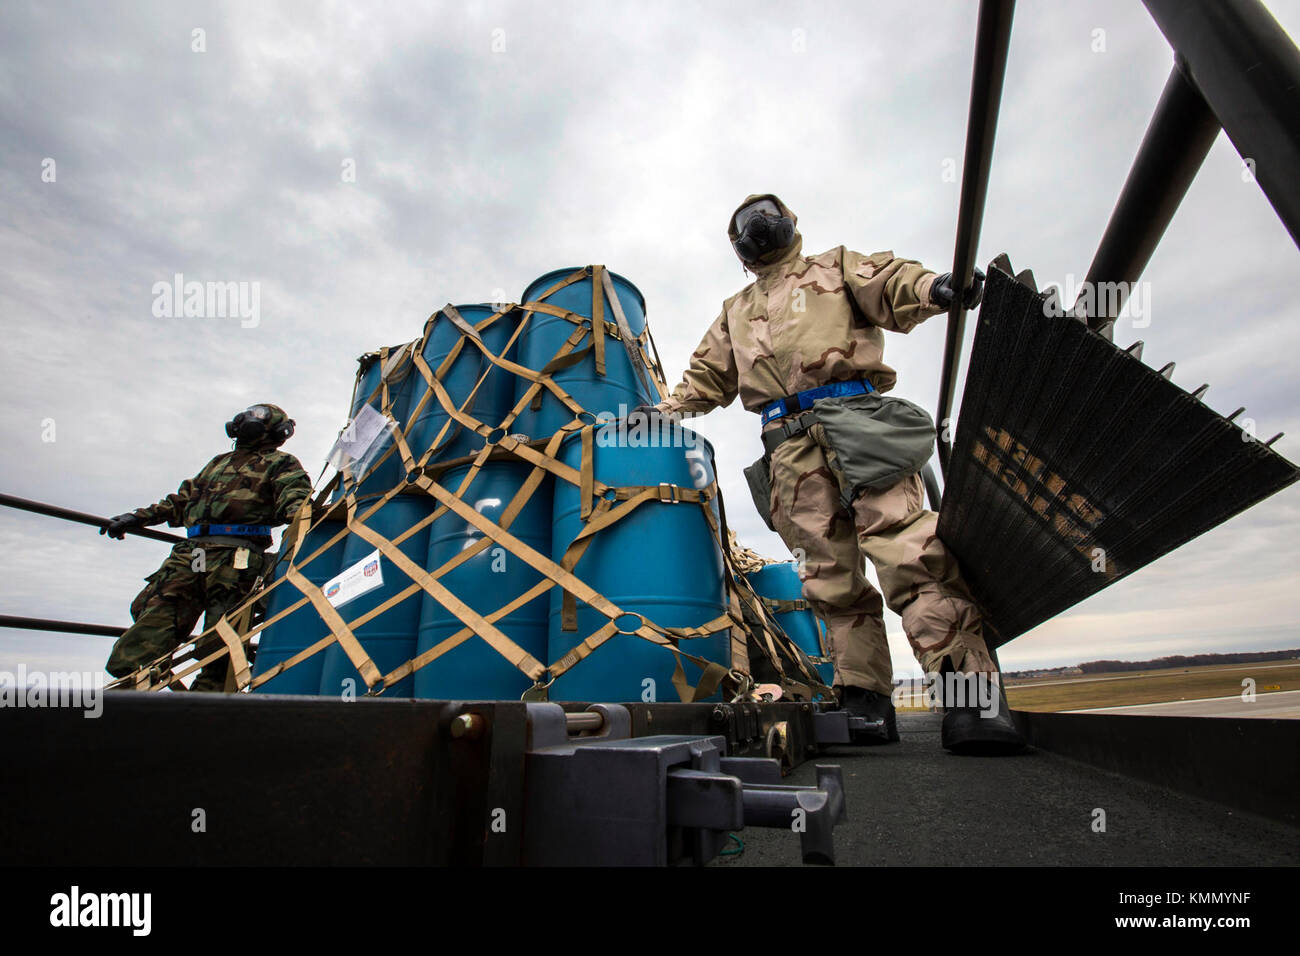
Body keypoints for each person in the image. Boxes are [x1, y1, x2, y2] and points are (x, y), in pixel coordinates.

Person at [642, 194, 1023, 754]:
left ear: (790, 222)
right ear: (738, 250)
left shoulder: (836, 266)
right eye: (744, 223)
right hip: (789, 451)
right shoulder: (735, 310)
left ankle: (971, 697)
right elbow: (704, 380)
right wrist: (656, 416)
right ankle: (864, 700)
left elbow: (891, 284)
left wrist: (936, 289)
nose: (756, 225)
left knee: (909, 554)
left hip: (858, 422)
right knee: (829, 581)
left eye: (765, 213)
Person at [102, 403, 311, 691]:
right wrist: (136, 518)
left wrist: (305, 521)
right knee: (153, 621)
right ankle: (133, 690)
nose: (247, 422)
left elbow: (296, 500)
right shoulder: (218, 463)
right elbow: (180, 502)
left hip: (235, 559)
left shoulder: (282, 463)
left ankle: (208, 708)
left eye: (257, 419)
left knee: (219, 644)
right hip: (192, 553)